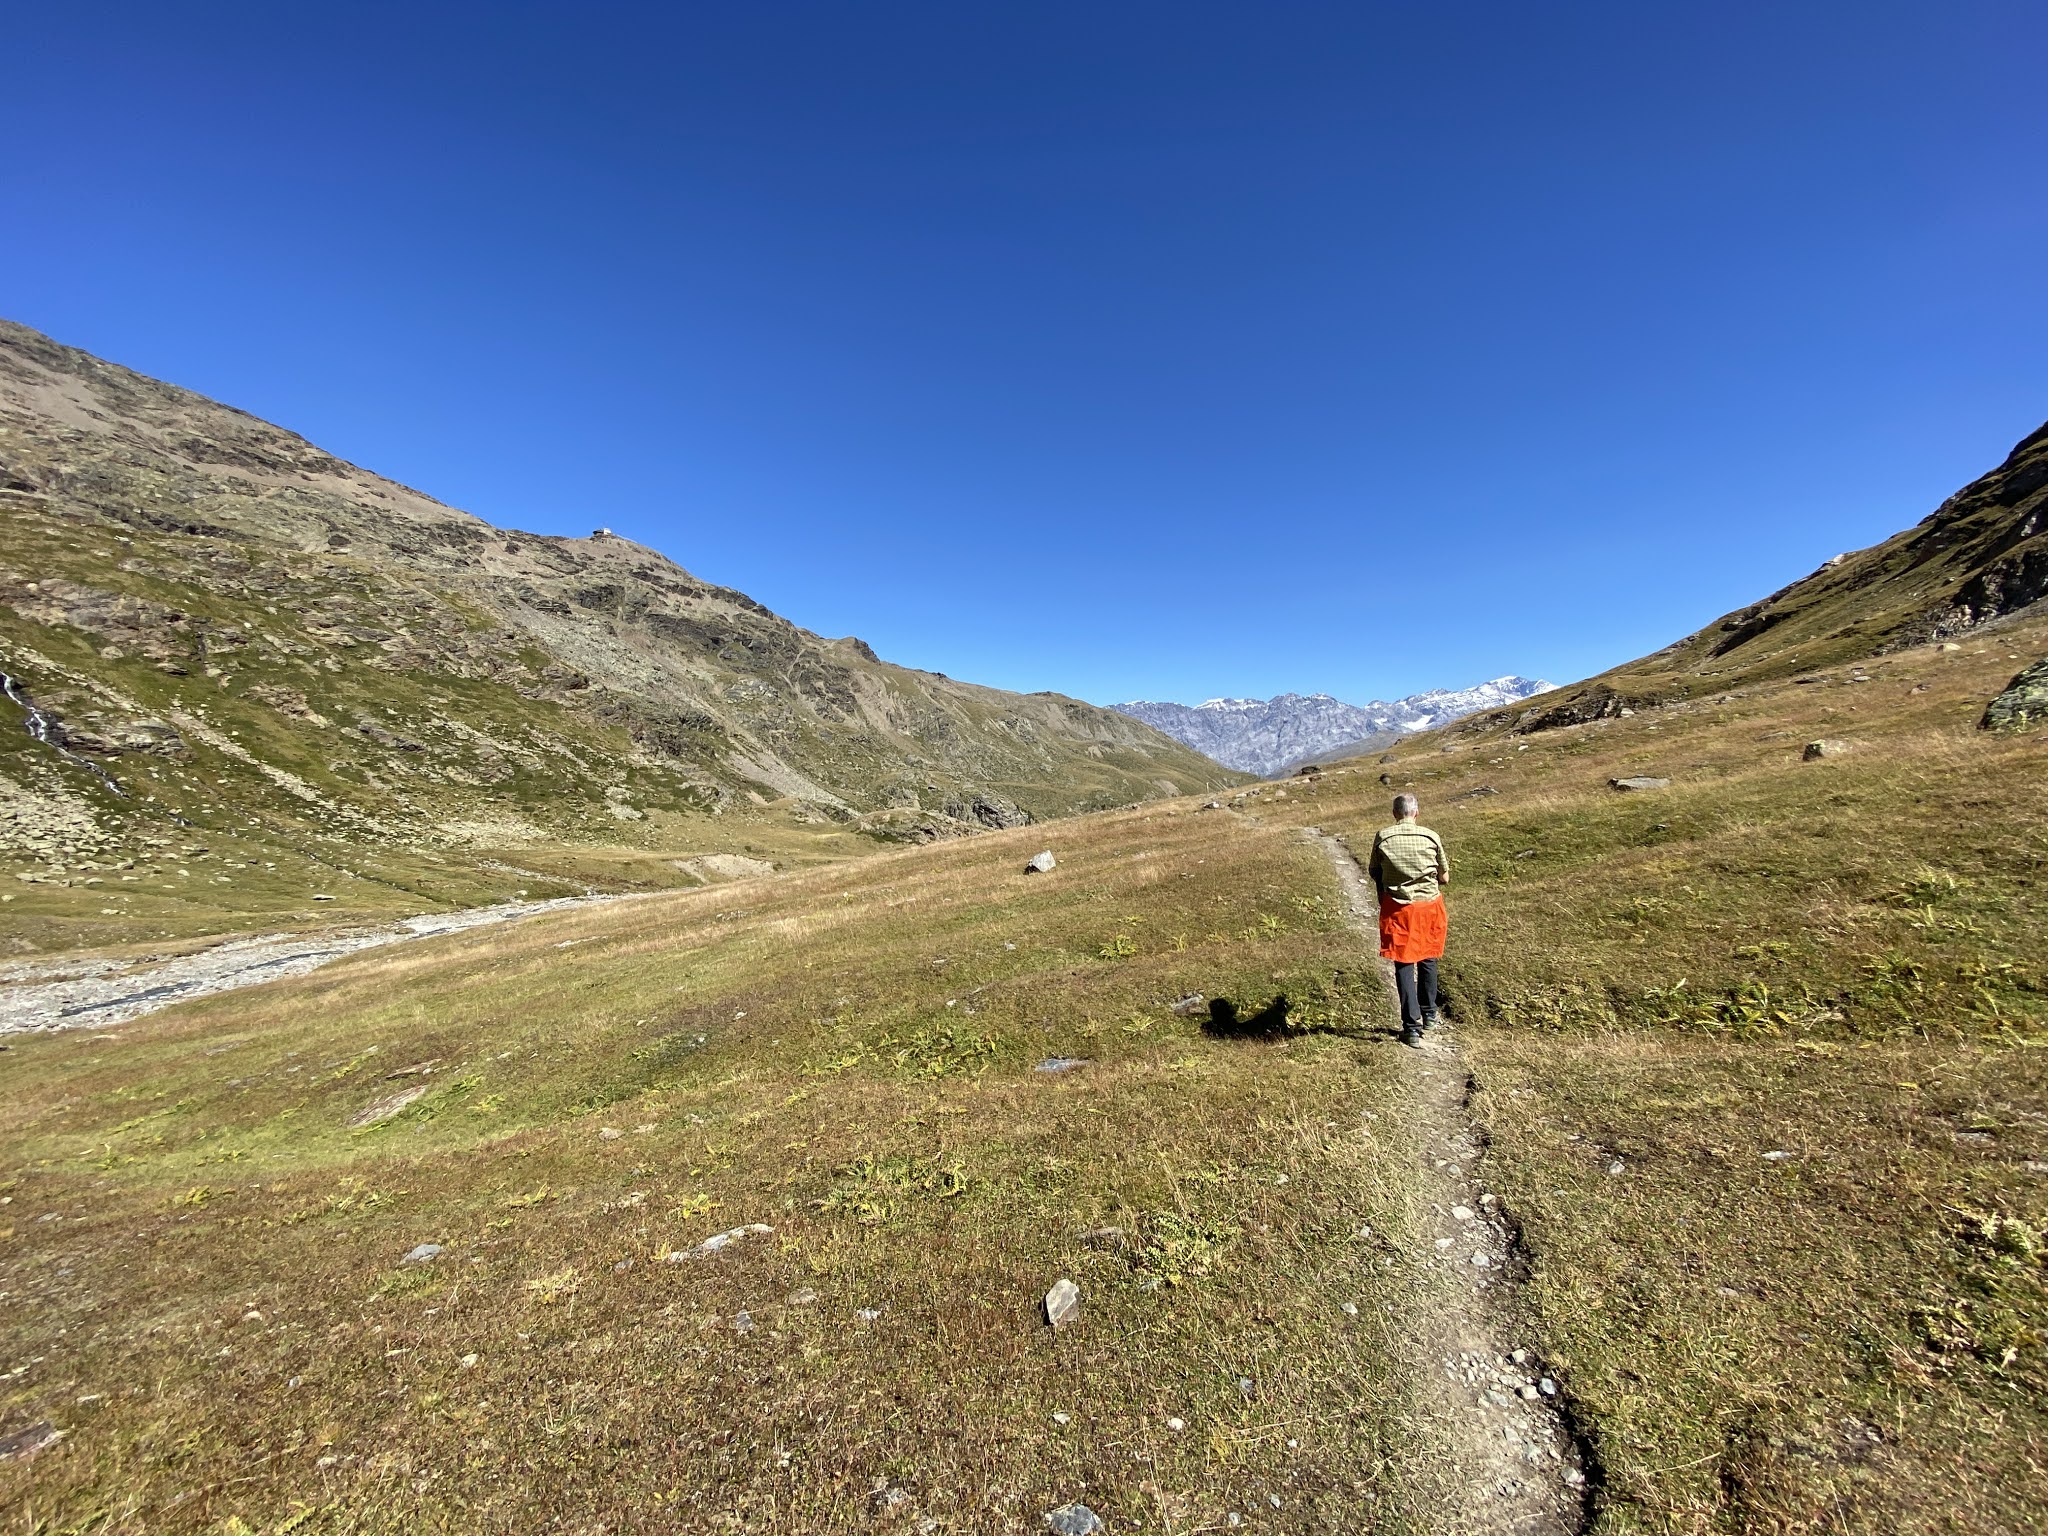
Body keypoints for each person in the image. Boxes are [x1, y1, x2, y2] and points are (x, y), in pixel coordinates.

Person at [1368, 793, 1449, 1047]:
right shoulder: (1431, 836)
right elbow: (1445, 877)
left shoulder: (1383, 836)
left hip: (1398, 908)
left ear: (1395, 814)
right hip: (1429, 906)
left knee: (1403, 962)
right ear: (1416, 812)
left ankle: (1411, 1027)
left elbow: (1374, 870)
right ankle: (1429, 1014)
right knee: (1428, 956)